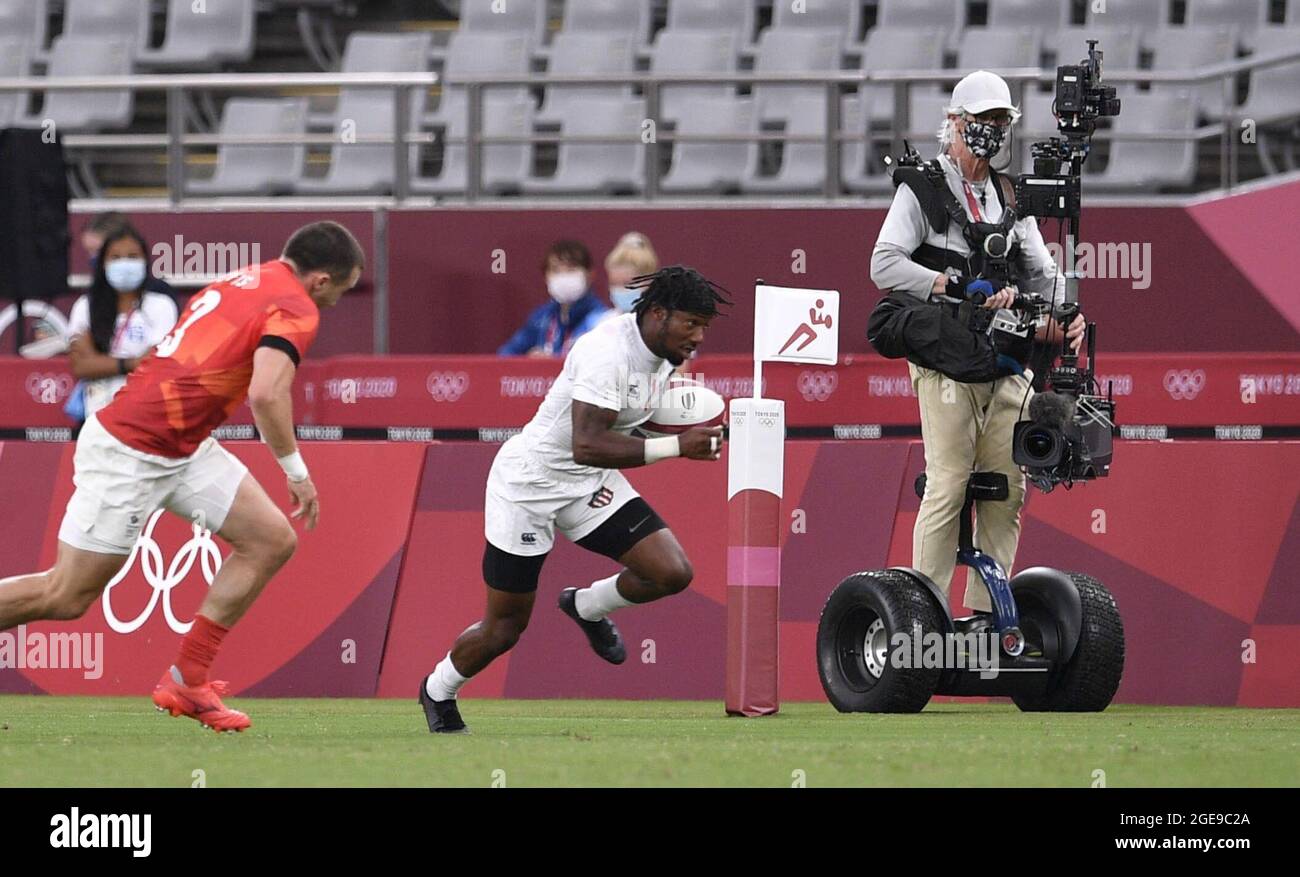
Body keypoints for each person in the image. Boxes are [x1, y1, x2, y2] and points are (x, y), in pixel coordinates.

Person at [0, 221, 365, 732]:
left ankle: (187, 679)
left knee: (269, 539)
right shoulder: (298, 305)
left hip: (182, 447)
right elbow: (266, 394)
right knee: (65, 596)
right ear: (322, 280)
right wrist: (295, 470)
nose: (333, 306)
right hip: (130, 448)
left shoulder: (249, 278)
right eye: (341, 293)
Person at [419, 266, 730, 733]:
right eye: (691, 323)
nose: (698, 336)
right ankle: (437, 689)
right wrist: (677, 446)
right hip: (529, 485)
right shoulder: (607, 352)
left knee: (671, 572)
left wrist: (684, 431)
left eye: (704, 326)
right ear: (660, 314)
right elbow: (585, 443)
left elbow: (622, 430)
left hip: (588, 482)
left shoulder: (665, 353)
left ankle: (586, 605)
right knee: (504, 629)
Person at [870, 70, 1086, 616]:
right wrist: (949, 284)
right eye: (981, 119)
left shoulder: (1013, 196)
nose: (989, 130)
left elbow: (1044, 273)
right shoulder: (921, 187)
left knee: (1009, 486)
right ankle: (925, 615)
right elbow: (883, 265)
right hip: (944, 358)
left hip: (1004, 359)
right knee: (948, 482)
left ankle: (990, 620)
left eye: (999, 120)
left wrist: (1067, 311)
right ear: (955, 122)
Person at [67, 224, 179, 422]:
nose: (125, 264)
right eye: (116, 258)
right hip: (96, 417)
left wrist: (102, 362)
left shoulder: (161, 305)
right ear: (103, 264)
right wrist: (131, 362)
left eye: (133, 257)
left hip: (147, 415)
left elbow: (156, 363)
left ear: (145, 262)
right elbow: (81, 366)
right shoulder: (84, 306)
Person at [498, 240, 609, 356]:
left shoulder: (603, 319)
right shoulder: (541, 317)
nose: (564, 276)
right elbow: (506, 355)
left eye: (571, 269)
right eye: (556, 270)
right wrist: (528, 359)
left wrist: (551, 360)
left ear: (590, 274)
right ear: (546, 277)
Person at [80, 211, 178, 304]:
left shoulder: (160, 294)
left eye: (99, 251)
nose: (93, 258)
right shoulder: (90, 299)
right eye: (89, 252)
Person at [603, 231, 659, 315]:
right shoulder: (604, 321)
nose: (621, 290)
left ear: (649, 282)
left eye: (628, 283)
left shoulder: (662, 322)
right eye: (614, 283)